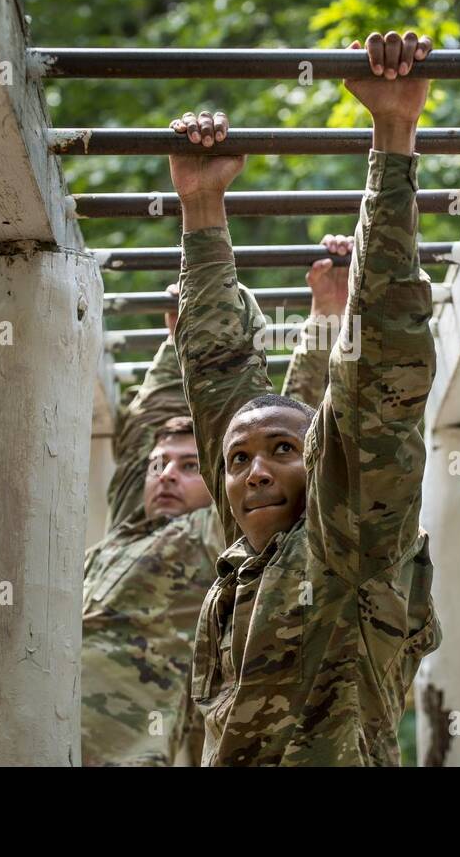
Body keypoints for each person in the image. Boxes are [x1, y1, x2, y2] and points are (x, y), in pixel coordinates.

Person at [171, 29, 441, 766]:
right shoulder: (244, 560)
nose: (254, 471)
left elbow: (380, 366)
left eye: (283, 451)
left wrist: (393, 136)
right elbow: (217, 381)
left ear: (320, 462)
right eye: (238, 462)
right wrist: (201, 209)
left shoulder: (348, 547)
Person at [80, 245, 345, 765]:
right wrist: (179, 340)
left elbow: (284, 434)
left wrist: (322, 321)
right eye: (160, 466)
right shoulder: (127, 527)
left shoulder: (214, 534)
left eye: (188, 467)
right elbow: (148, 426)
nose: (165, 476)